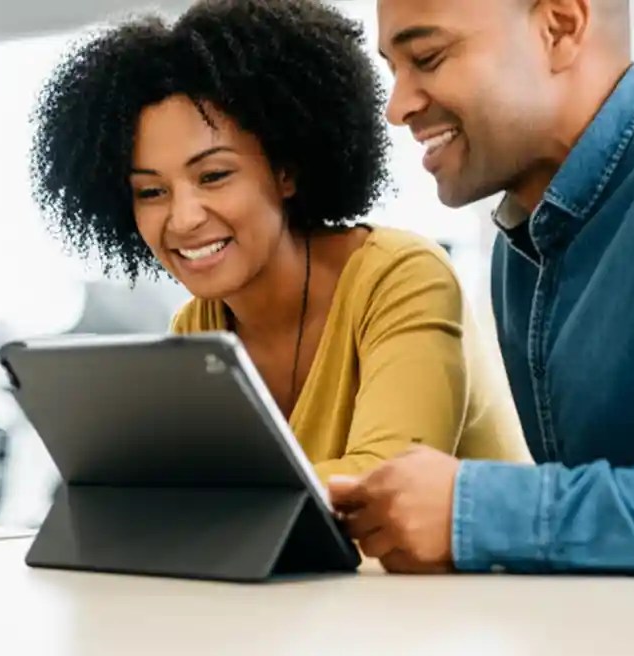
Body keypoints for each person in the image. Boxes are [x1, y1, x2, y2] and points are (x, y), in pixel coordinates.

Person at [330, 0, 634, 582]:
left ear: (560, 28)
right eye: (395, 70)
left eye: (428, 57)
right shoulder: (521, 247)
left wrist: (484, 512)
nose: (398, 108)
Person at [28, 0, 529, 483]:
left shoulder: (402, 279)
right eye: (151, 191)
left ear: (285, 170)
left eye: (214, 175)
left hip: (488, 572)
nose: (182, 219)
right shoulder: (199, 329)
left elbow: (385, 483)